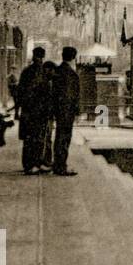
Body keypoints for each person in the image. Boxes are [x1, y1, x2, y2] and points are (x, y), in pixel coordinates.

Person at [18, 46, 50, 175]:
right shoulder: (35, 73)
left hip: (37, 110)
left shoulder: (29, 72)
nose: (40, 60)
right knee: (32, 138)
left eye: (41, 57)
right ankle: (30, 165)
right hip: (33, 110)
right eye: (38, 57)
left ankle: (35, 163)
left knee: (37, 138)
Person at [51, 47, 81, 176]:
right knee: (65, 138)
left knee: (59, 137)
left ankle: (57, 164)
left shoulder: (57, 71)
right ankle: (61, 166)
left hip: (57, 109)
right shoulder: (72, 74)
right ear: (74, 58)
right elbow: (72, 95)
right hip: (67, 111)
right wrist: (77, 110)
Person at [38, 61, 58, 171]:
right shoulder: (45, 83)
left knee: (47, 137)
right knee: (45, 137)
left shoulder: (47, 82)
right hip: (45, 115)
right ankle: (44, 160)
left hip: (47, 114)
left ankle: (47, 160)